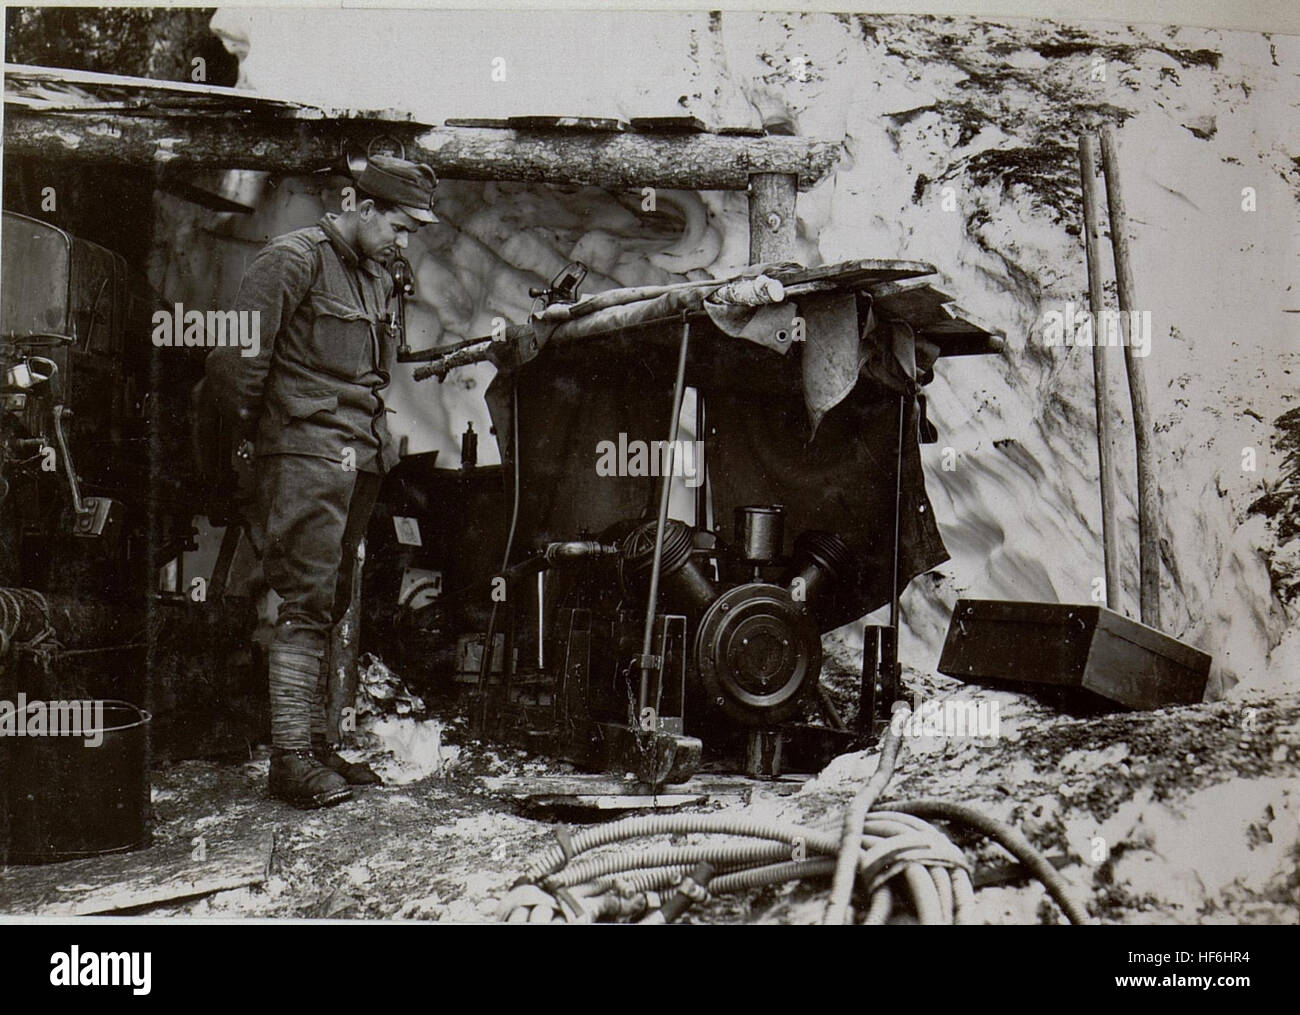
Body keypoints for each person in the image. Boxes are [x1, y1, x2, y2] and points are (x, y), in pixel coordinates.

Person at [204, 155, 437, 808]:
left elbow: (367, 379)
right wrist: (258, 448)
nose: (405, 239)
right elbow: (235, 364)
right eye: (399, 224)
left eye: (413, 230)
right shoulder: (293, 258)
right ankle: (290, 760)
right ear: (356, 204)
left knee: (330, 600)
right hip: (303, 456)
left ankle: (314, 742)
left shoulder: (372, 277)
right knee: (305, 601)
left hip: (357, 458)